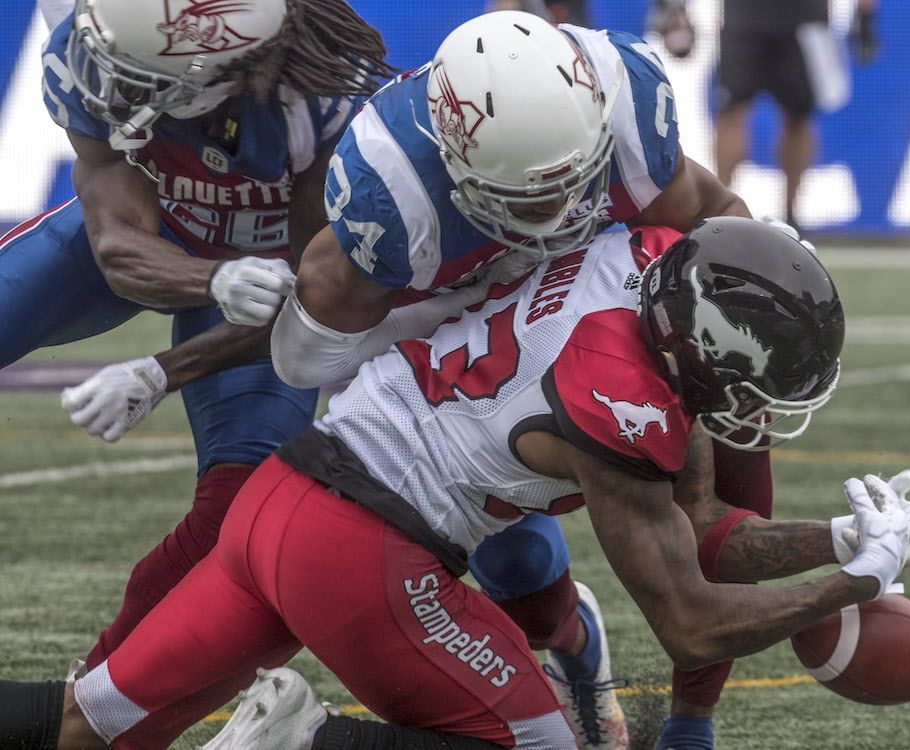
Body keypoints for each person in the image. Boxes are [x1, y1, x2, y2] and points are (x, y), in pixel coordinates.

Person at [0, 217, 910, 750]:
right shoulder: (622, 406)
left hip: (279, 504)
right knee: (543, 748)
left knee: (93, 724)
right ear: (702, 352)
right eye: (757, 382)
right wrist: (854, 584)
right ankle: (308, 742)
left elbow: (706, 525)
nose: (760, 407)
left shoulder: (635, 257)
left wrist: (838, 540)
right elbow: (689, 620)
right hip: (364, 553)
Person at [60, 9, 753, 746]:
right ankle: (114, 700)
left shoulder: (626, 107)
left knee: (536, 580)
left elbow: (716, 216)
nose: (557, 214)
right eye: (526, 198)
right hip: (429, 379)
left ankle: (584, 650)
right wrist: (166, 369)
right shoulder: (395, 193)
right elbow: (304, 355)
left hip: (560, 341)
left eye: (571, 184)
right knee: (512, 567)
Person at [0, 0, 392, 744]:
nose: (105, 82)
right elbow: (116, 246)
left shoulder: (319, 109)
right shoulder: (86, 54)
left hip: (276, 278)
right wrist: (210, 279)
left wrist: (161, 371)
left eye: (136, 74)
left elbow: (317, 300)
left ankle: (91, 710)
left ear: (219, 69)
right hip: (162, 243)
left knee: (236, 519)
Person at [707, 0, 876, 230]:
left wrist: (865, 15)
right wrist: (865, 16)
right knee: (734, 113)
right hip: (753, 19)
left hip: (798, 20)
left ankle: (788, 213)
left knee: (795, 116)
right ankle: (720, 209)